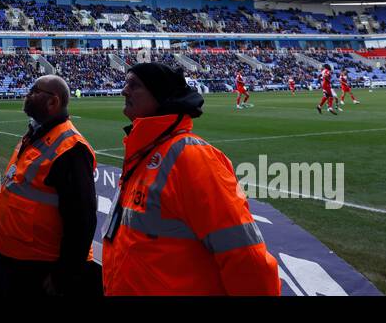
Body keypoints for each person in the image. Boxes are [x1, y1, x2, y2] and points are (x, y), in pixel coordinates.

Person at [102, 63, 280, 296]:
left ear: (159, 94)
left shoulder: (192, 157)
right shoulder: (142, 154)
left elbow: (244, 255)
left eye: (134, 85)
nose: (124, 90)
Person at [0, 74, 97, 297]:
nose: (27, 95)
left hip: (38, 266)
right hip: (14, 256)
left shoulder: (72, 149)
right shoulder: (35, 133)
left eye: (34, 91)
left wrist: (63, 275)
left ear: (53, 102)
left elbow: (82, 219)